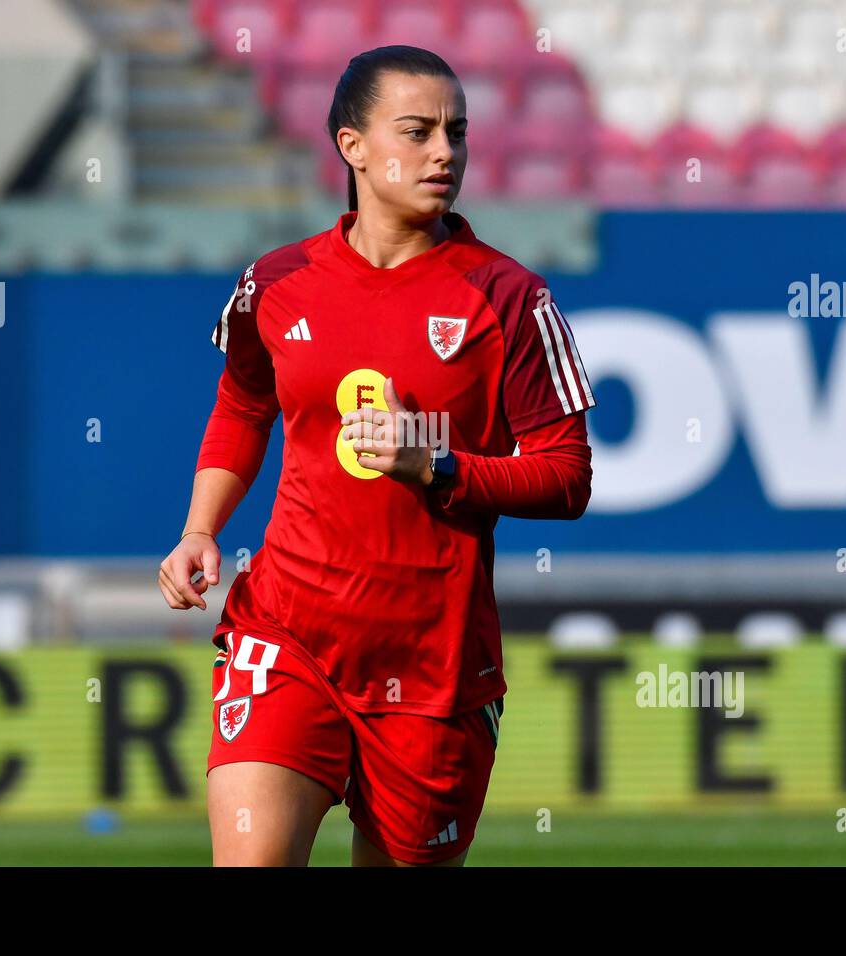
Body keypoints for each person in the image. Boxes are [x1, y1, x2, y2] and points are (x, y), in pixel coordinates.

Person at [158, 45, 596, 867]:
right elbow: (245, 401)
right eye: (418, 130)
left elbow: (567, 475)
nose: (444, 153)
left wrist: (438, 464)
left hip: (434, 672)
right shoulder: (276, 283)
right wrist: (200, 528)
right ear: (352, 145)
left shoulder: (510, 299)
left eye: (456, 134)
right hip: (289, 636)